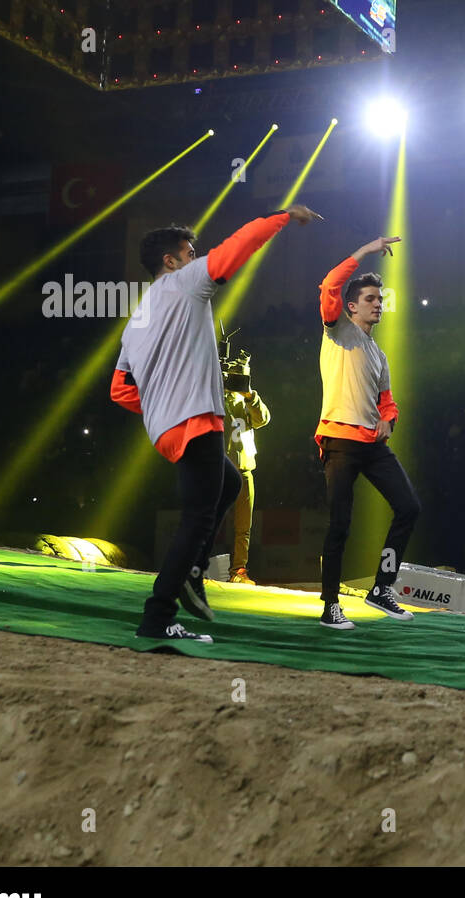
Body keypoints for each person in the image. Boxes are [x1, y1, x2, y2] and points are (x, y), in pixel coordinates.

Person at [110, 204, 320, 642]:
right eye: (190, 252)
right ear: (171, 261)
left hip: (167, 428)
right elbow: (234, 250)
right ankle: (162, 609)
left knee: (228, 484)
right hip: (196, 419)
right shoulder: (185, 284)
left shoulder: (137, 320)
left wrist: (160, 407)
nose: (196, 258)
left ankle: (189, 574)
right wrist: (281, 217)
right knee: (198, 516)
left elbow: (120, 390)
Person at [315, 236, 421, 630]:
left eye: (381, 299)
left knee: (410, 507)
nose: (379, 304)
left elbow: (389, 402)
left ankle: (382, 588)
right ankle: (330, 606)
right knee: (340, 524)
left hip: (372, 446)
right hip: (340, 441)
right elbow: (329, 284)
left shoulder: (380, 354)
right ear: (352, 305)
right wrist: (363, 251)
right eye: (372, 298)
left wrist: (388, 421)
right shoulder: (337, 329)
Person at [222, 353, 270, 584]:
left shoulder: (248, 401)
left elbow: (262, 420)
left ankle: (239, 570)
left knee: (244, 526)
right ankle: (195, 565)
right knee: (207, 519)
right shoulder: (216, 397)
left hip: (243, 469)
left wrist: (249, 395)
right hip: (219, 470)